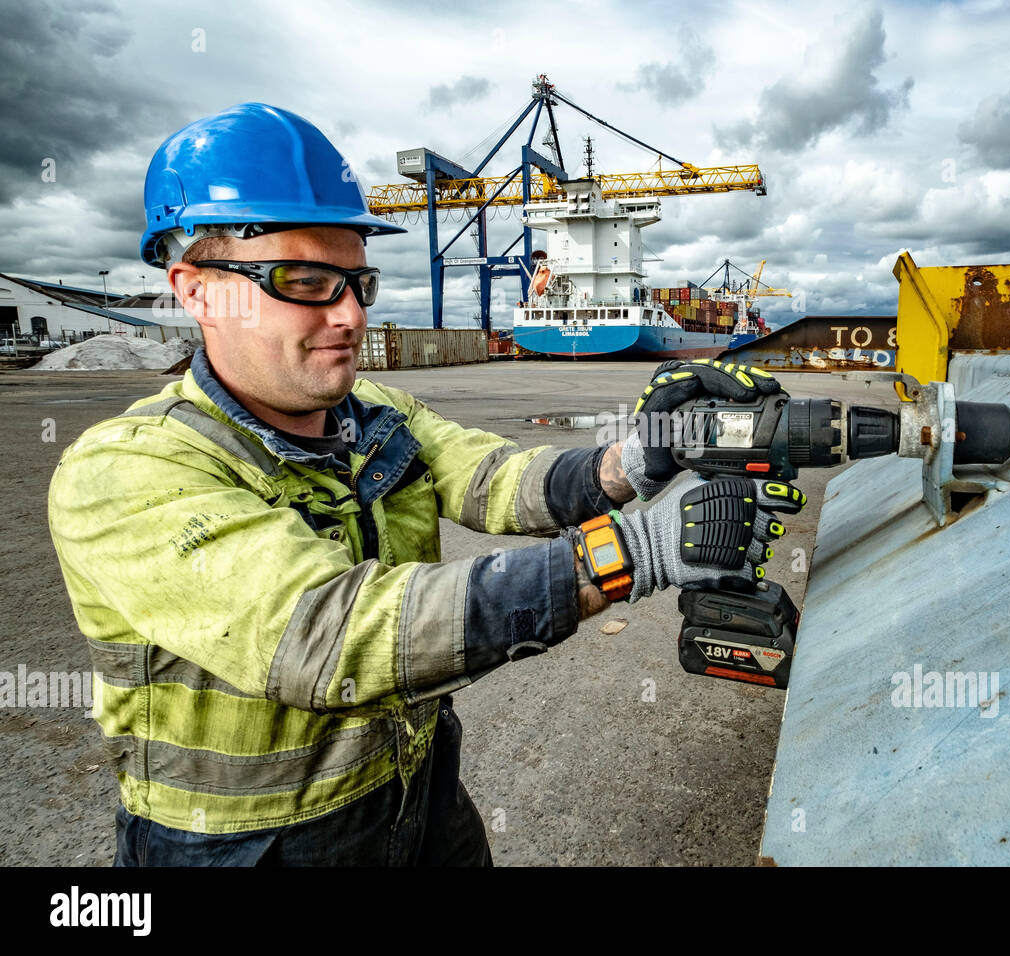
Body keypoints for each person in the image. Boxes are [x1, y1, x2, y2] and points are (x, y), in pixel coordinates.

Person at [46, 103, 807, 866]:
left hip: (416, 791)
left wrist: (642, 455)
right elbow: (328, 637)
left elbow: (497, 481)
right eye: (303, 279)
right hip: (242, 847)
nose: (347, 313)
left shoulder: (375, 413)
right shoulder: (126, 471)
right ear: (197, 290)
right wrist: (632, 551)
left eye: (356, 280)